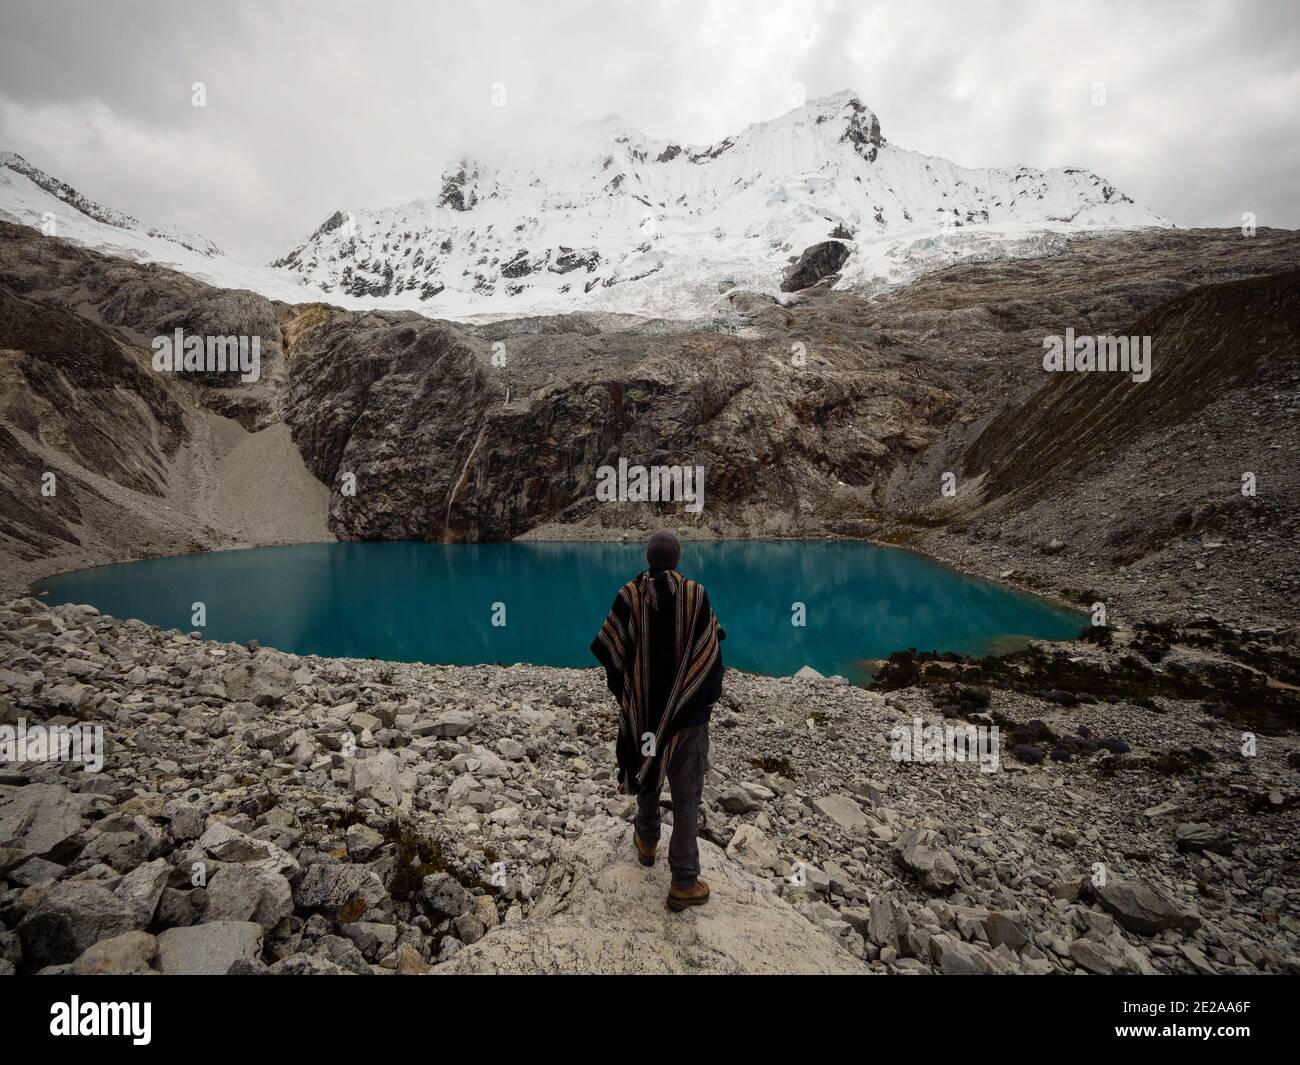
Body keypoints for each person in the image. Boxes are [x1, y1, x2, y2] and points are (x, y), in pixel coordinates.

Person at [591, 530, 725, 911]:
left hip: (645, 714)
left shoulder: (628, 595)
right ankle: (684, 879)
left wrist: (629, 697)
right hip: (689, 716)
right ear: (677, 558)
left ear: (649, 557)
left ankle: (646, 839)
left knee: (646, 770)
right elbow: (711, 653)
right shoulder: (695, 595)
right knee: (687, 796)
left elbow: (610, 651)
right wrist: (707, 698)